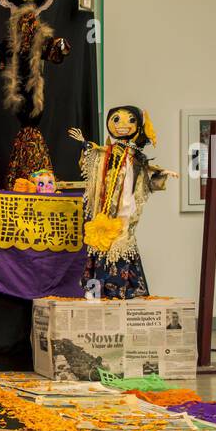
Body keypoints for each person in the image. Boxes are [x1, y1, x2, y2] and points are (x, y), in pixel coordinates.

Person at [68, 106, 177, 299]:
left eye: (130, 120)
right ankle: (98, 290)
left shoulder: (138, 157)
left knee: (124, 240)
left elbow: (146, 180)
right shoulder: (108, 152)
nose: (123, 125)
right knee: (104, 242)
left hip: (128, 206)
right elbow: (94, 160)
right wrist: (85, 145)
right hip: (107, 206)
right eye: (116, 120)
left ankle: (122, 290)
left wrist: (161, 174)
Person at [0, 0, 71, 187]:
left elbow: (48, 47)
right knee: (19, 100)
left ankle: (37, 175)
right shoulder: (14, 30)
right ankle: (20, 176)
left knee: (32, 105)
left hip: (33, 81)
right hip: (17, 79)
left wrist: (57, 47)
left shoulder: (38, 30)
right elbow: (3, 52)